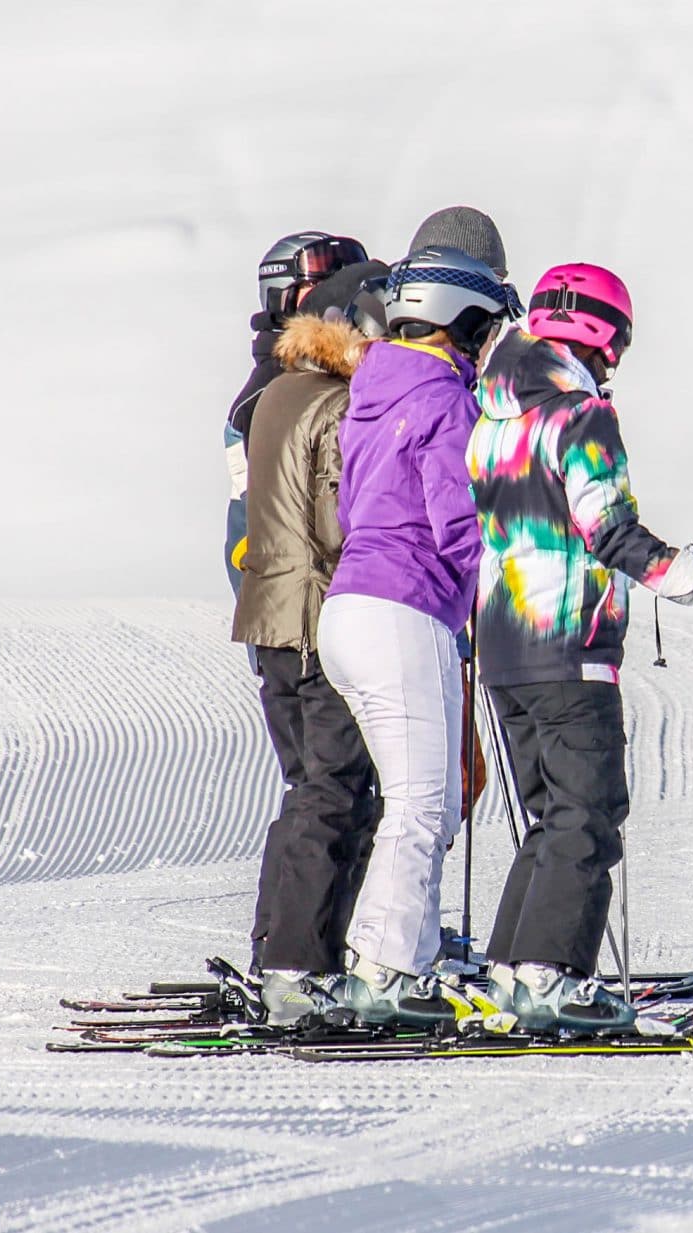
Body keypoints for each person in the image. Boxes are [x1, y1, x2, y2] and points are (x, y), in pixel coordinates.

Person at [467, 262, 693, 1034]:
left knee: (552, 814)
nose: (616, 363)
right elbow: (613, 534)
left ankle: (510, 971)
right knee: (588, 813)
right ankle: (552, 977)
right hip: (568, 643)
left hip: (504, 646)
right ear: (597, 334)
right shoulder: (580, 418)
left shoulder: (492, 418)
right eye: (617, 345)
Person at [319, 217, 526, 1026]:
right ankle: (386, 970)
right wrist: (517, 598)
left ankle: (392, 954)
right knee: (422, 803)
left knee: (418, 800)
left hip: (352, 607)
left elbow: (351, 508)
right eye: (486, 328)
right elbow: (462, 526)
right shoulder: (443, 399)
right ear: (460, 319)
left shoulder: (376, 391)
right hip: (403, 610)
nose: (488, 345)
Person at [233, 259, 391, 1024]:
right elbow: (340, 523)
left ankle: (283, 951)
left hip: (272, 621)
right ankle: (299, 963)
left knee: (309, 789)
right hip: (316, 622)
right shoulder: (338, 404)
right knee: (337, 790)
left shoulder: (274, 391)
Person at [227, 232, 370, 593]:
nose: (335, 296)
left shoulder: (317, 375)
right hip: (281, 578)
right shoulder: (272, 387)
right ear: (282, 295)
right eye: (319, 285)